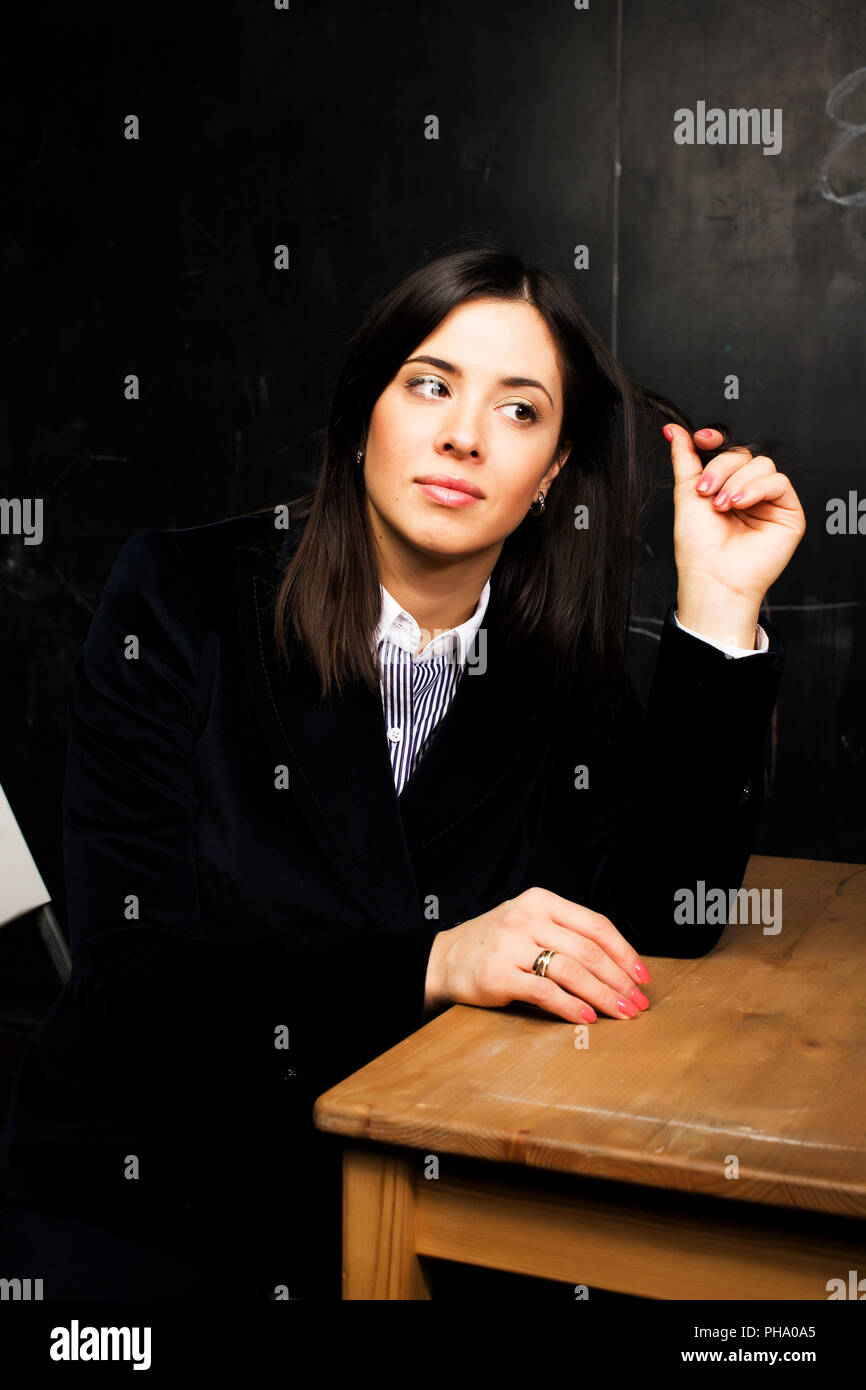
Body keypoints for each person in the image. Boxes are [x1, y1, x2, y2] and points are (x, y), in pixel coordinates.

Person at [0, 238, 804, 1300]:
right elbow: (126, 996)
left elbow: (663, 912)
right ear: (362, 411)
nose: (463, 436)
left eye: (518, 411)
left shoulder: (554, 670)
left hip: (432, 1185)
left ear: (550, 473)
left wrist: (716, 608)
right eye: (428, 384)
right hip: (156, 1194)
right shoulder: (180, 601)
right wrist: (434, 960)